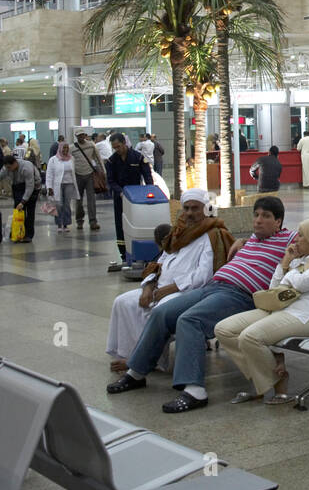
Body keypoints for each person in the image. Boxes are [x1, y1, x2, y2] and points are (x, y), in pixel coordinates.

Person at [108, 196, 296, 413]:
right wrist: (241, 243)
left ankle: (195, 390)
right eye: (256, 215)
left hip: (241, 295)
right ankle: (136, 373)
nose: (258, 220)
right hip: (214, 287)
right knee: (162, 313)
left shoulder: (289, 239)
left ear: (279, 221)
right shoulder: (253, 239)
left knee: (190, 320)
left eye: (266, 216)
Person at [217, 218, 309, 405]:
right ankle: (265, 379)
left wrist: (290, 273)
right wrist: (285, 262)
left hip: (303, 317)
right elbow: (273, 287)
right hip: (279, 310)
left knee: (249, 337)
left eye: (302, 235)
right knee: (224, 329)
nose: (296, 240)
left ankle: (278, 383)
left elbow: (302, 283)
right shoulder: (301, 259)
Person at [107, 191, 236, 371]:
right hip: (160, 287)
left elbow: (204, 276)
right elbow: (159, 263)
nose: (190, 213)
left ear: (205, 209)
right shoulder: (178, 232)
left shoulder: (213, 235)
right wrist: (148, 287)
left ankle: (147, 360)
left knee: (159, 310)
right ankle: (131, 354)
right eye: (186, 208)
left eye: (195, 208)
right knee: (123, 302)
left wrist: (171, 289)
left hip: (189, 292)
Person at [105, 133, 152, 263]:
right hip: (120, 198)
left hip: (137, 199)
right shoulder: (111, 161)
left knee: (138, 224)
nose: (117, 150)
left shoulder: (138, 157)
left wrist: (149, 193)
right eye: (114, 147)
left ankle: (140, 252)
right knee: (121, 225)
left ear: (124, 143)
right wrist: (120, 191)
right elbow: (111, 181)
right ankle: (124, 255)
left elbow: (148, 177)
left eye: (119, 146)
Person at [0, 154, 39, 243]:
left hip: (33, 187)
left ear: (15, 163)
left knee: (30, 211)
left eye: (10, 167)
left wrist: (23, 201)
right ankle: (17, 231)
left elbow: (30, 187)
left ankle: (28, 235)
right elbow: (0, 174)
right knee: (18, 210)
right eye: (7, 168)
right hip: (18, 186)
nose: (8, 170)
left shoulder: (26, 168)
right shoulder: (7, 167)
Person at [70, 130, 104, 231]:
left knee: (91, 200)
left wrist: (103, 170)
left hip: (89, 174)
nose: (81, 137)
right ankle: (79, 221)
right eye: (78, 136)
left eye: (82, 135)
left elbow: (98, 158)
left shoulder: (91, 145)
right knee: (78, 200)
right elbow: (69, 161)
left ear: (85, 135)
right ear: (76, 137)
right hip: (77, 175)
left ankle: (93, 221)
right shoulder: (72, 148)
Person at [45, 142, 77, 233]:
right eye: (64, 148)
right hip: (57, 185)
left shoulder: (71, 159)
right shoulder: (53, 160)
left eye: (67, 148)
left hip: (69, 184)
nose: (66, 150)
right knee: (59, 204)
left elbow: (74, 172)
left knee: (67, 204)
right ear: (60, 149)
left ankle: (66, 224)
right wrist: (49, 187)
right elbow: (49, 174)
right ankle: (59, 224)